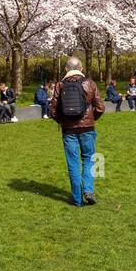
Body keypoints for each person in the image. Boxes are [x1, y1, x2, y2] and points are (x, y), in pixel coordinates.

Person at [49, 56, 105, 206]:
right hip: (87, 129)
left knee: (73, 163)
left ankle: (77, 199)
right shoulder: (90, 84)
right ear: (81, 69)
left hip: (68, 130)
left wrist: (61, 121)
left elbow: (52, 109)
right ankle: (88, 190)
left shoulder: (60, 85)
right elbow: (100, 107)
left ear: (66, 69)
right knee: (88, 159)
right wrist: (91, 120)